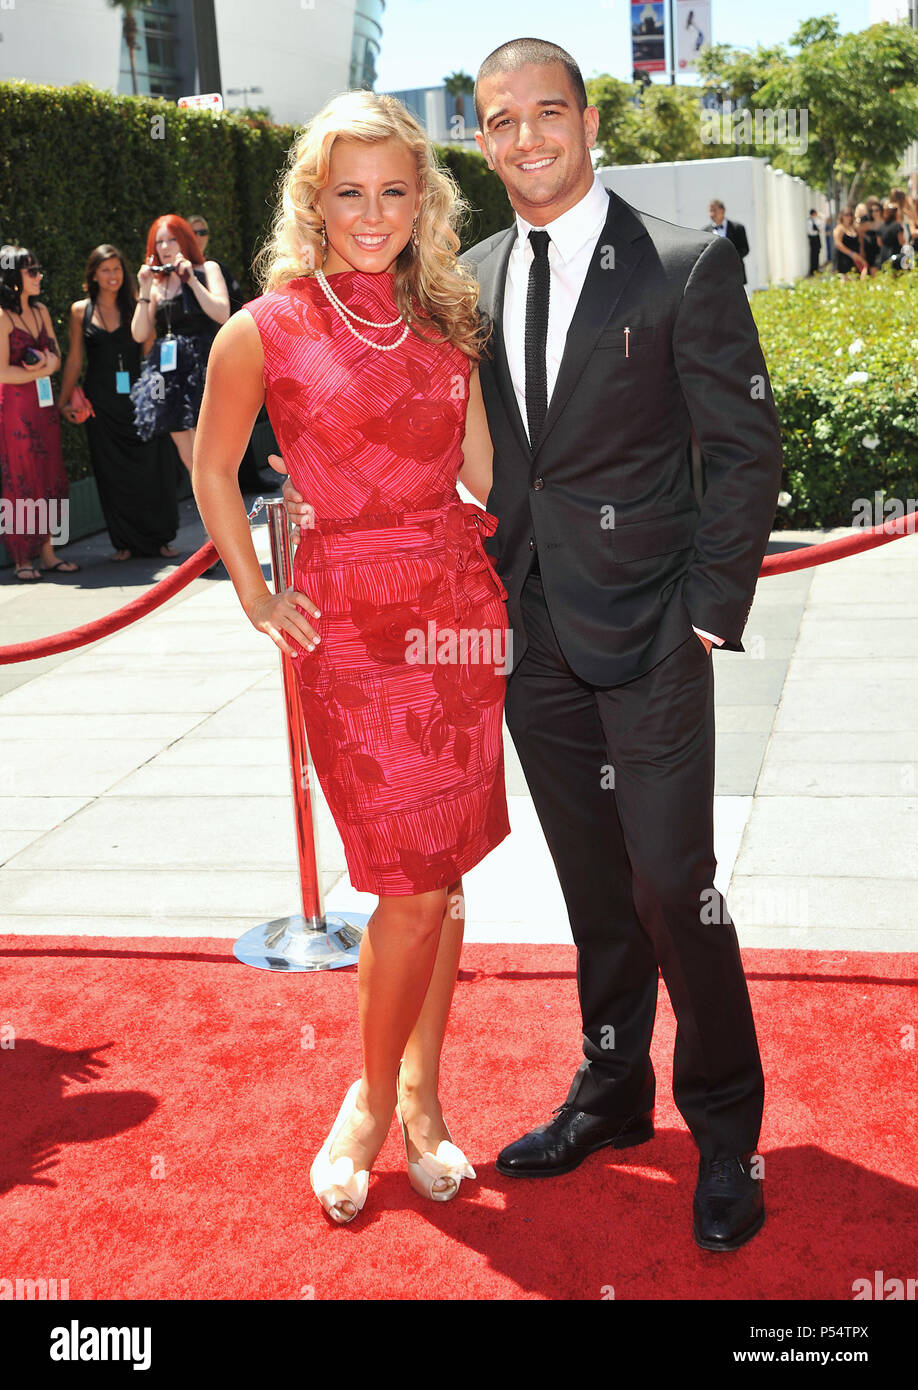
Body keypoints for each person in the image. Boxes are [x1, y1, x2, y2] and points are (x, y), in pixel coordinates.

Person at [282, 37, 785, 1253]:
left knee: (677, 885)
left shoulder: (680, 264)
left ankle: (727, 1130)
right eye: (498, 121)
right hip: (528, 636)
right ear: (485, 139)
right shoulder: (470, 282)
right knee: (597, 893)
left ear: (589, 119)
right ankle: (613, 1092)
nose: (523, 139)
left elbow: (746, 446)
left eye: (544, 114)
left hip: (656, 632)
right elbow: (395, 411)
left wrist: (708, 608)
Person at [192, 91, 511, 1224]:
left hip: (457, 615)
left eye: (393, 191)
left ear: (422, 199)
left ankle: (421, 1096)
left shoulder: (450, 317)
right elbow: (215, 465)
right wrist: (254, 590)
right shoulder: (264, 328)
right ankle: (371, 1108)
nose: (372, 214)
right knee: (405, 883)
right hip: (350, 630)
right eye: (348, 194)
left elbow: (483, 471)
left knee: (445, 872)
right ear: (312, 202)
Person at [58, 244, 179, 561]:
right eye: (105, 270)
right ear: (93, 275)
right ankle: (123, 543)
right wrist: (61, 401)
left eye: (116, 269)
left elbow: (151, 354)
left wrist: (157, 401)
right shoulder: (78, 310)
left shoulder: (138, 303)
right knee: (112, 473)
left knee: (155, 465)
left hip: (139, 399)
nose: (112, 275)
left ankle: (160, 538)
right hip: (101, 403)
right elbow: (74, 359)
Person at [0, 246, 78, 582]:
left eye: (38, 269)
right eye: (31, 271)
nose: (39, 276)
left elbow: (58, 356)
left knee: (49, 473)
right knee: (20, 477)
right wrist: (42, 368)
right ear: (13, 278)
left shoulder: (42, 309)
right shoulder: (2, 317)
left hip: (43, 407)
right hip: (16, 407)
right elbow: (2, 372)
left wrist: (48, 364)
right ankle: (22, 558)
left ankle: (48, 552)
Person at [187, 213, 280, 496]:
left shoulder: (214, 268)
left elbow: (225, 311)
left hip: (222, 352)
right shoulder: (171, 276)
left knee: (239, 422)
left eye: (203, 231)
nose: (199, 237)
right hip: (188, 365)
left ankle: (246, 479)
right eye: (192, 233)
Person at [130, 215, 229, 474]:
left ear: (184, 240)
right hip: (166, 374)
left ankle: (225, 509)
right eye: (159, 242)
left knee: (206, 449)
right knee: (188, 456)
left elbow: (222, 313)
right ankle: (208, 512)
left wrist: (191, 281)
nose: (165, 247)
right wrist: (143, 289)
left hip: (200, 365)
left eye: (172, 239)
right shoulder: (155, 284)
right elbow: (139, 334)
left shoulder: (207, 269)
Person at [704, 199, 749, 284]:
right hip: (713, 277)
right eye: (710, 211)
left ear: (722, 210)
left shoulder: (738, 228)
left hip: (734, 274)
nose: (711, 214)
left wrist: (728, 258)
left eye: (714, 210)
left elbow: (744, 249)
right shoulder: (704, 231)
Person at [832, 207, 867, 277]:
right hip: (843, 259)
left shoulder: (854, 228)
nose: (848, 217)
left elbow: (860, 240)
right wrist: (852, 254)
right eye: (846, 215)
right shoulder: (839, 228)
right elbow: (838, 244)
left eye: (850, 215)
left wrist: (860, 254)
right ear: (841, 216)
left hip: (855, 259)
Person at [806, 208, 823, 276]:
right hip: (813, 239)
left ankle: (816, 269)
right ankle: (813, 270)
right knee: (813, 255)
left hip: (816, 238)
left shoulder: (815, 220)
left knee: (817, 254)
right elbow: (811, 232)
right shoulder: (809, 222)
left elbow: (820, 226)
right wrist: (817, 231)